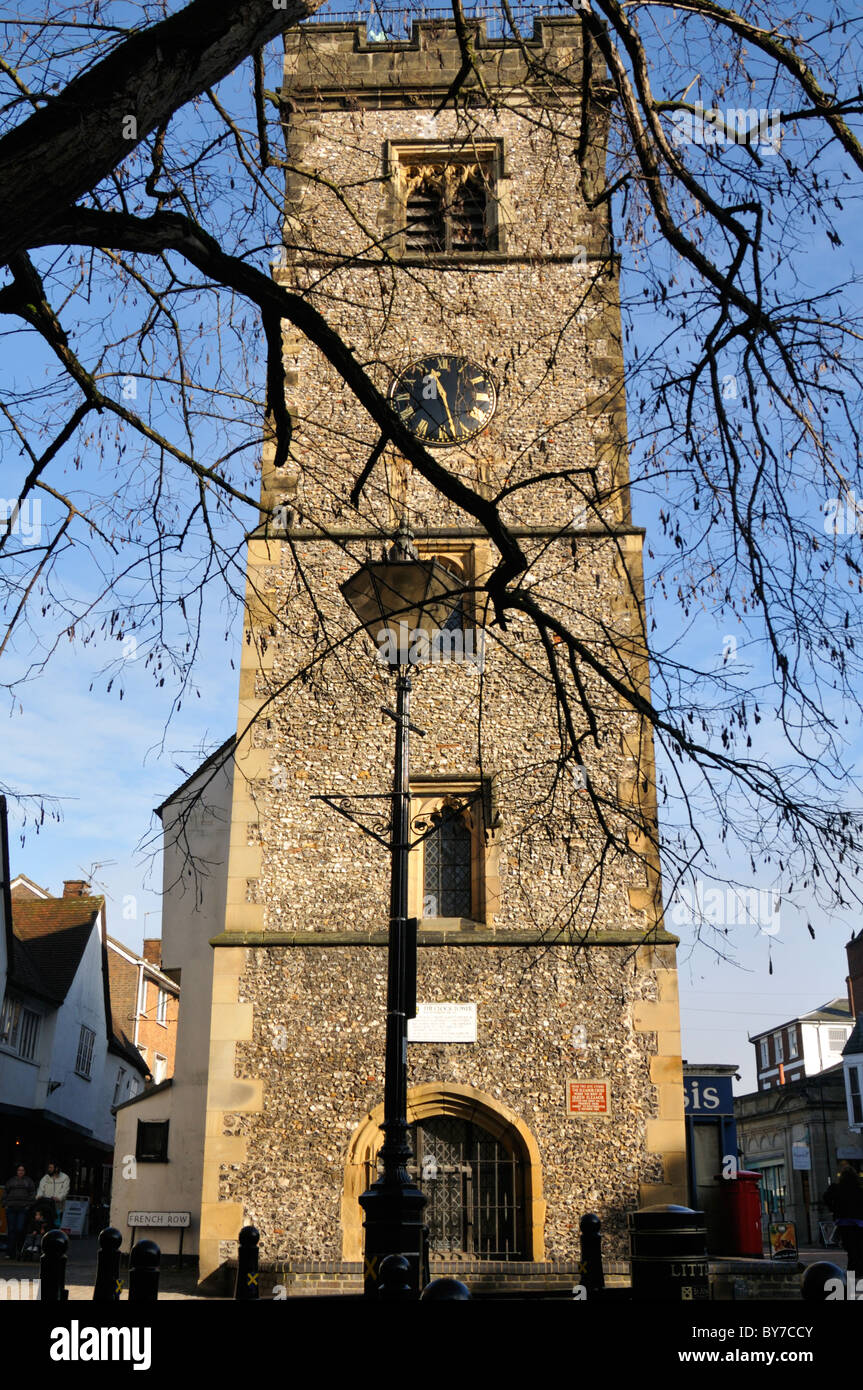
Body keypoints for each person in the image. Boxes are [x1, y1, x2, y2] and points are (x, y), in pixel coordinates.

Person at [823, 1164, 863, 1273]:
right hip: (858, 1222)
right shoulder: (859, 1189)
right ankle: (858, 1270)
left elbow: (826, 1197)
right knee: (858, 1247)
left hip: (843, 1222)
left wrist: (834, 1208)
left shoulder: (836, 1188)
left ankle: (852, 1271)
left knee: (850, 1248)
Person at [2, 1165, 35, 1260]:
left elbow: (32, 1193)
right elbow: (5, 1192)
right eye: (19, 1170)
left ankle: (19, 1250)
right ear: (16, 1171)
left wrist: (28, 1206)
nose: (20, 1172)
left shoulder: (28, 1181)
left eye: (22, 1170)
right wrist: (5, 1204)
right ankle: (10, 1253)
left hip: (22, 1209)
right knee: (11, 1230)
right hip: (11, 1208)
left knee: (20, 1229)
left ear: (25, 1172)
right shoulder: (11, 1180)